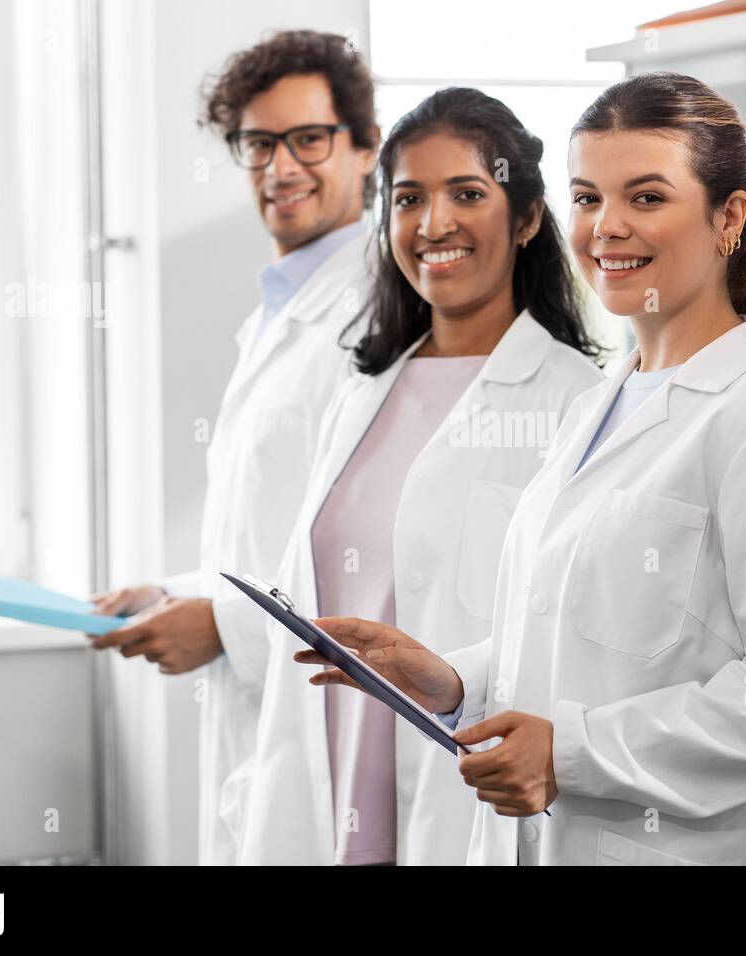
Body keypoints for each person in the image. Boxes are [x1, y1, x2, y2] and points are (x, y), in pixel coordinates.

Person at [296, 72, 746, 866]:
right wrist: (451, 681)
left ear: (728, 216)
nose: (608, 228)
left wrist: (570, 754)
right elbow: (572, 636)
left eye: (648, 197)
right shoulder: (600, 405)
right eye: (589, 198)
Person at [232, 88, 604, 865]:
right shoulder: (361, 392)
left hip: (464, 802)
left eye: (467, 193)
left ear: (529, 218)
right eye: (408, 200)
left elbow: (584, 639)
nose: (434, 224)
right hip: (326, 793)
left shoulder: (578, 400)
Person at [89, 31, 379, 865]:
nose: (281, 167)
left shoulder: (377, 317)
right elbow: (269, 530)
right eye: (258, 144)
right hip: (264, 720)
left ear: (365, 149)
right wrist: (174, 591)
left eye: (309, 139)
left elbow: (367, 555)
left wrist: (221, 625)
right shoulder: (278, 312)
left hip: (330, 728)